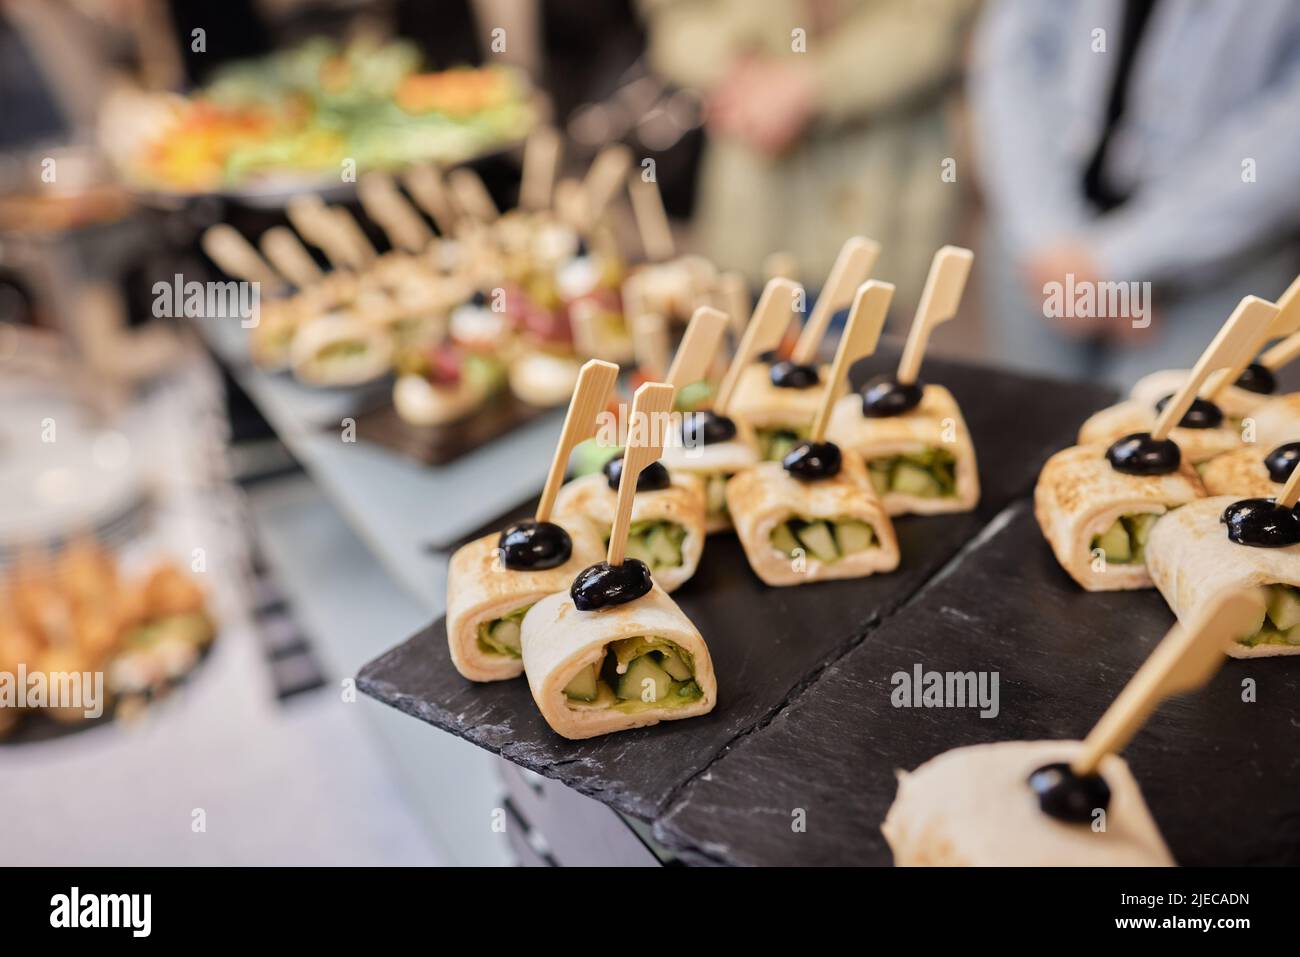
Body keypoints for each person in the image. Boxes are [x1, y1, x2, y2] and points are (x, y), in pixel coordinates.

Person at [971, 0, 1300, 385]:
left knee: (1166, 428)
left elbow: (1283, 137)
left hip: (1215, 257)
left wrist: (1115, 264)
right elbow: (1015, 59)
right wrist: (1049, 241)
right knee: (1033, 421)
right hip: (1042, 248)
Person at [641, 0, 976, 311]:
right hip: (752, 201)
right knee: (743, 351)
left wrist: (813, 86)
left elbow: (935, 23)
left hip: (886, 194)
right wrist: (734, 69)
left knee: (873, 353)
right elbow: (675, 15)